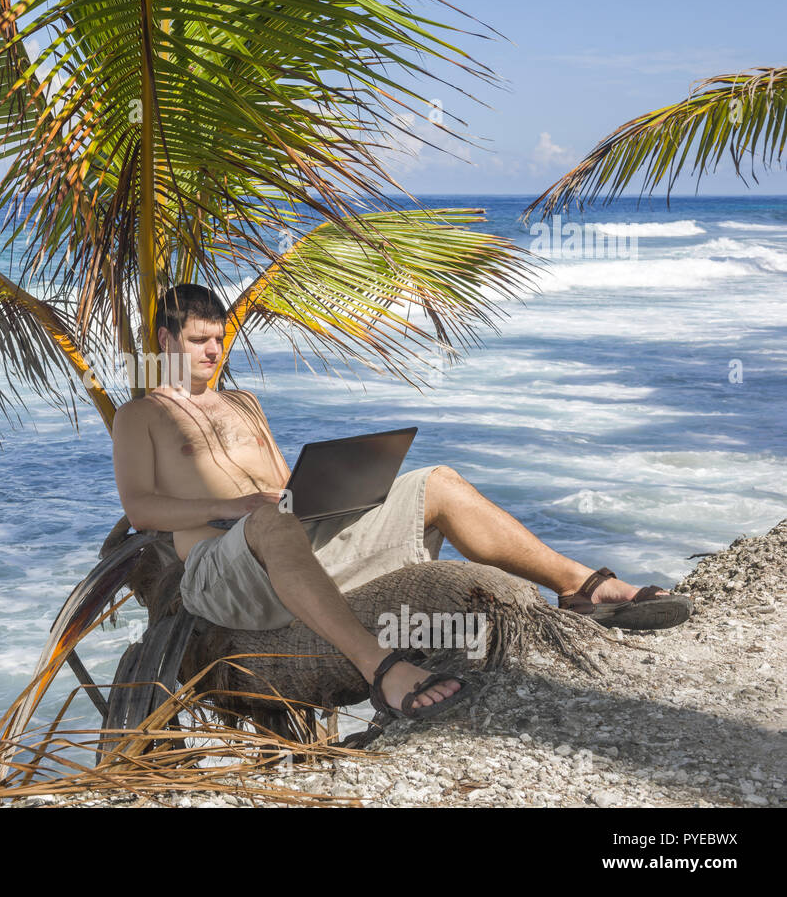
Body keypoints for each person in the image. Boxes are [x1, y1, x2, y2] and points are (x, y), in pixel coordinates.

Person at [110, 283, 691, 719]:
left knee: (436, 481)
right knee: (267, 519)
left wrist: (328, 497)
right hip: (220, 575)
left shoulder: (244, 404)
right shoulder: (140, 416)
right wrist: (235, 510)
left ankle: (580, 586)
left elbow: (288, 492)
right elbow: (141, 510)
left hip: (287, 546)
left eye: (220, 338)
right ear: (166, 341)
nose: (214, 351)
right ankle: (382, 671)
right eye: (198, 340)